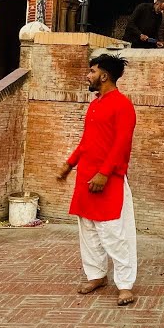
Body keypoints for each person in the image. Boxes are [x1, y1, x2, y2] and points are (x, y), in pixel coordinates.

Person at [57, 54, 138, 307]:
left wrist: (104, 173)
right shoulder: (95, 104)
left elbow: (121, 143)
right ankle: (97, 275)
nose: (88, 75)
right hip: (85, 178)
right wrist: (69, 164)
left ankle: (124, 285)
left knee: (114, 233)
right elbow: (87, 141)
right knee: (89, 230)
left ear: (104, 75)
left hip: (108, 179)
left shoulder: (122, 105)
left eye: (92, 71)